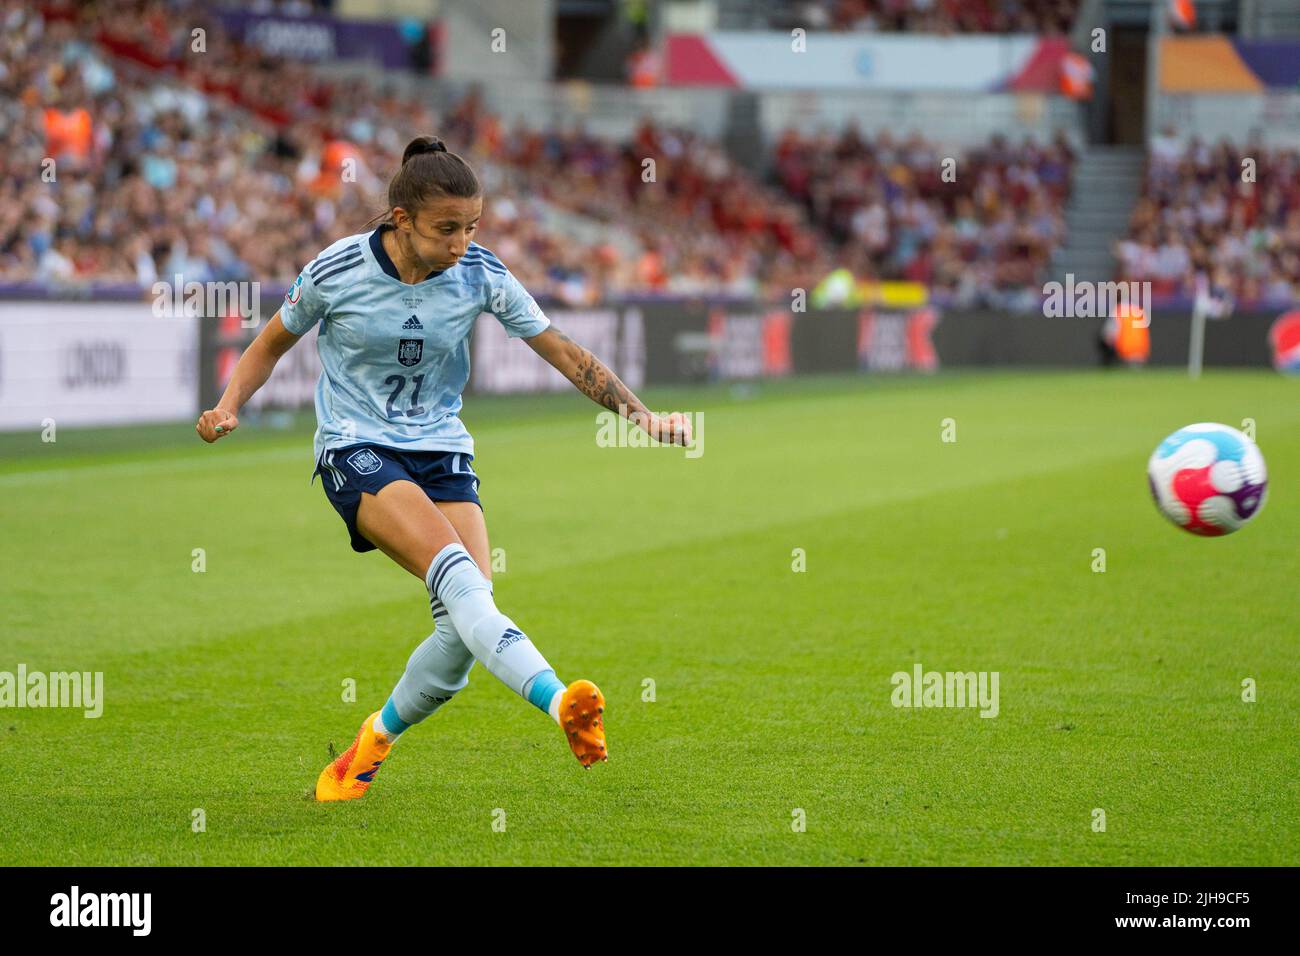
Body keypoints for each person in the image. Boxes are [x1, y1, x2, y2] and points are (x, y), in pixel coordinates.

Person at [196, 136, 692, 801]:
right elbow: (269, 343)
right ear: (401, 220)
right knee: (462, 585)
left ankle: (370, 746)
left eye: (472, 227)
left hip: (443, 451)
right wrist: (229, 405)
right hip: (356, 448)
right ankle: (560, 701)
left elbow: (565, 351)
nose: (462, 243)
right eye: (447, 229)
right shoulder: (337, 269)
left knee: (461, 630)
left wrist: (642, 416)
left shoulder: (481, 272)